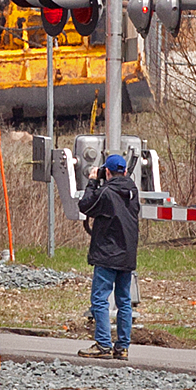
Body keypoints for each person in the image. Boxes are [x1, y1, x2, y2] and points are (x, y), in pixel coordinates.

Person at [77, 153, 141, 360]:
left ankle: (103, 344)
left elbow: (85, 205)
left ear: (107, 171)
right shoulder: (132, 192)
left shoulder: (106, 193)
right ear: (125, 171)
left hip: (107, 253)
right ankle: (122, 347)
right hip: (127, 254)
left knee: (100, 299)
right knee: (124, 301)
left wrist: (92, 182)